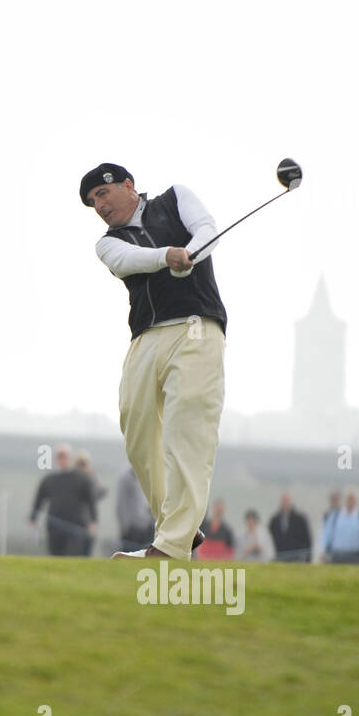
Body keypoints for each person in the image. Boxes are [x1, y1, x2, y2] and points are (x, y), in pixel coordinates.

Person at [85, 163, 223, 560]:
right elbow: (131, 260)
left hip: (197, 327)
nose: (99, 206)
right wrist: (169, 256)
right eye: (93, 202)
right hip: (146, 335)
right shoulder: (107, 244)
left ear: (127, 185)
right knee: (138, 431)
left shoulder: (175, 197)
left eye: (103, 194)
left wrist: (192, 253)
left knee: (187, 433)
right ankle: (180, 528)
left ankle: (171, 546)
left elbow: (207, 230)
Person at [29, 444, 98, 557]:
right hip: (54, 527)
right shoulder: (49, 480)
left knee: (72, 557)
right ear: (56, 459)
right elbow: (39, 499)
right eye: (60, 457)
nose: (63, 459)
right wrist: (33, 519)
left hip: (76, 527)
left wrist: (93, 521)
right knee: (56, 557)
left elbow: (91, 500)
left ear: (70, 458)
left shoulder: (82, 478)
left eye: (65, 456)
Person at [321, 487, 359, 563]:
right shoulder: (335, 515)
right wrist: (323, 550)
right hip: (336, 555)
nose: (350, 501)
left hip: (355, 556)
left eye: (352, 499)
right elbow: (327, 534)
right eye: (348, 498)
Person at [114, 465, 155, 550]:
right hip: (131, 530)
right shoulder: (125, 477)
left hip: (147, 527)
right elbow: (120, 505)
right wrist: (125, 528)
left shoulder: (147, 475)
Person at [269, 492, 313, 562]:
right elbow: (271, 538)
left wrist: (308, 558)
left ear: (291, 501)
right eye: (283, 501)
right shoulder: (275, 520)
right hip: (280, 557)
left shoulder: (300, 518)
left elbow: (307, 539)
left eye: (287, 500)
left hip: (297, 557)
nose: (285, 503)